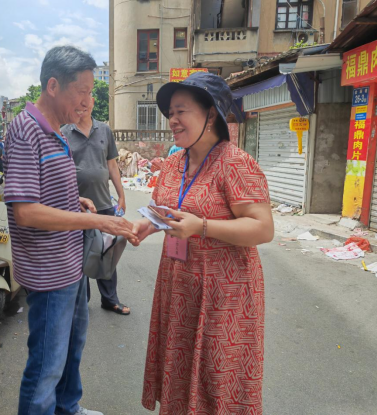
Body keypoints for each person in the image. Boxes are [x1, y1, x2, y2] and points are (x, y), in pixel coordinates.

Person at [4, 46, 137, 415]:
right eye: (82, 90)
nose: (87, 100)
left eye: (91, 91)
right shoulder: (26, 129)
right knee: (46, 364)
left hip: (70, 264)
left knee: (71, 348)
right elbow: (27, 212)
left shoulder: (56, 131)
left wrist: (75, 201)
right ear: (52, 86)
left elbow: (44, 189)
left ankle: (68, 408)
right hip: (48, 273)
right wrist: (98, 220)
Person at [132, 72, 274, 414]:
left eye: (181, 111)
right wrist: (148, 226)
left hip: (224, 293)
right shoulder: (173, 163)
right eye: (170, 113)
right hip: (179, 286)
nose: (172, 120)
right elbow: (167, 212)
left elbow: (263, 228)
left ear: (211, 114)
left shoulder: (235, 163)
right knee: (180, 372)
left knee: (216, 377)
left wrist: (204, 226)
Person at [61, 98, 130, 316]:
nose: (82, 106)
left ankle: (110, 299)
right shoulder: (64, 131)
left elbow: (112, 165)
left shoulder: (104, 130)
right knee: (79, 254)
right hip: (75, 207)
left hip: (103, 204)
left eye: (86, 102)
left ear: (93, 103)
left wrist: (121, 195)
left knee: (106, 253)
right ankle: (82, 301)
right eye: (77, 102)